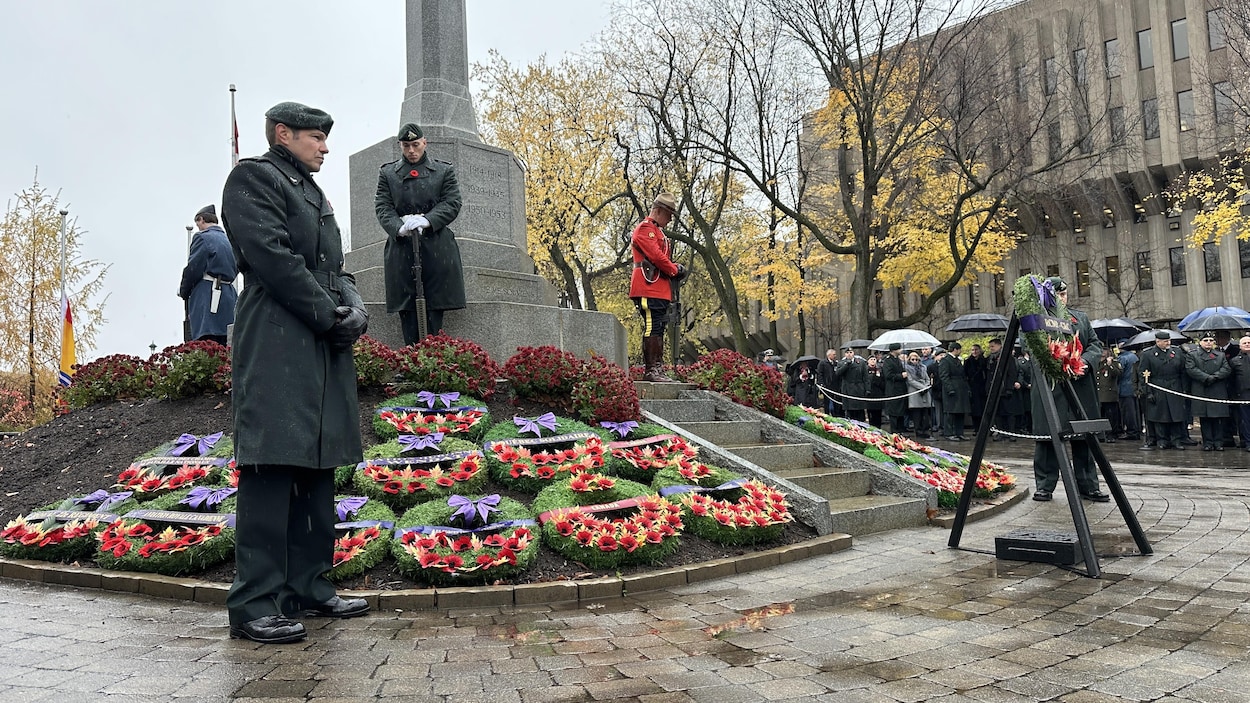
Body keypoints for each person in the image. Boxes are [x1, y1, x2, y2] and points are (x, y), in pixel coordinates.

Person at [221, 102, 370, 644]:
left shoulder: (314, 193)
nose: (325, 146)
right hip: (278, 340)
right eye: (315, 137)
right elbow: (274, 259)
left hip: (320, 342)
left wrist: (355, 307)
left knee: (318, 466)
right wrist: (330, 313)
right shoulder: (254, 178)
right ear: (283, 134)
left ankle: (309, 585)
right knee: (273, 467)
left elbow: (336, 266)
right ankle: (255, 601)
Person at [374, 123, 466, 345]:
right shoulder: (388, 173)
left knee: (434, 303)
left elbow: (452, 202)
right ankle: (411, 356)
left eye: (415, 145)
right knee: (407, 303)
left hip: (435, 246)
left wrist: (428, 220)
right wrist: (399, 227)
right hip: (402, 246)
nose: (411, 151)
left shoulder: (443, 171)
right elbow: (383, 206)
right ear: (400, 146)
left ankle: (431, 358)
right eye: (406, 146)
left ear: (425, 143)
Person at [1030, 277, 1108, 503]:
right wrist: (1058, 362)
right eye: (1057, 294)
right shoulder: (1036, 320)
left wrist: (1082, 362)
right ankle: (1045, 486)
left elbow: (1094, 344)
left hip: (1080, 385)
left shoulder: (1080, 318)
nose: (1062, 298)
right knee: (1047, 440)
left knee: (1083, 438)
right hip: (1051, 386)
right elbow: (1029, 345)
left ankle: (1089, 486)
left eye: (1064, 294)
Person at [628, 193, 686, 381]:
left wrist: (674, 268)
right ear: (659, 211)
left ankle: (657, 369)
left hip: (657, 288)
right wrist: (673, 269)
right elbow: (656, 256)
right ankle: (652, 370)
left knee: (658, 326)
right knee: (653, 326)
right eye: (669, 215)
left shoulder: (656, 230)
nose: (670, 219)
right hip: (648, 286)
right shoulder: (645, 229)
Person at [178, 204, 238, 345]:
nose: (197, 227)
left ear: (201, 220)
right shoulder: (231, 241)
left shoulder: (202, 238)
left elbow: (193, 269)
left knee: (206, 346)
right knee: (228, 345)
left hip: (207, 297)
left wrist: (184, 291)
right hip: (229, 298)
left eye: (197, 223)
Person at [1138, 331, 1188, 450]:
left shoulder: (1177, 352)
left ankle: (1176, 439)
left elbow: (1183, 371)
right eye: (1165, 341)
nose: (1168, 343)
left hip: (1174, 386)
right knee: (1160, 415)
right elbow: (1143, 374)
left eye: (1169, 341)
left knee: (1176, 415)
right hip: (1157, 386)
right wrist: (1147, 391)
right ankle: (1162, 439)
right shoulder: (1148, 354)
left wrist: (1184, 389)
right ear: (1157, 341)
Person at [1185, 332, 1233, 451]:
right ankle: (1208, 442)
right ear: (1200, 342)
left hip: (1217, 388)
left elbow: (1226, 369)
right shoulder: (1193, 355)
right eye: (1206, 340)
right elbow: (1191, 369)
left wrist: (1215, 377)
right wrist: (1205, 377)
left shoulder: (1220, 355)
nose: (1208, 343)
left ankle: (1218, 442)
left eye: (1211, 340)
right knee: (1205, 418)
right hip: (1202, 389)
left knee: (1218, 418)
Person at [986, 338, 1023, 441]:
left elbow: (1012, 373)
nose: (991, 348)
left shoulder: (1007, 358)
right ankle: (1001, 432)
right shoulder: (990, 359)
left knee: (1009, 413)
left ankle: (1011, 432)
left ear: (999, 346)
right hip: (994, 390)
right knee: (998, 413)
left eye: (992, 346)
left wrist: (1009, 388)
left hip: (1005, 389)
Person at [937, 342, 971, 441]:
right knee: (950, 412)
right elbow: (944, 376)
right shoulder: (945, 361)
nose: (960, 352)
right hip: (951, 390)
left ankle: (959, 432)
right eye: (959, 349)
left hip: (961, 389)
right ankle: (948, 433)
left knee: (960, 412)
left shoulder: (957, 360)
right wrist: (950, 389)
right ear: (955, 349)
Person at [1094, 346, 1123, 443]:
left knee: (1111, 416)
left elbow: (1118, 374)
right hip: (1098, 393)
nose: (1103, 353)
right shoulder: (1096, 363)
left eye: (1105, 351)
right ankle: (1100, 434)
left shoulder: (1114, 363)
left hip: (1109, 394)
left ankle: (1111, 434)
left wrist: (1110, 365)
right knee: (1099, 415)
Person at [835, 345, 870, 422]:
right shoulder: (841, 363)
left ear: (853, 353)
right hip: (847, 390)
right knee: (850, 412)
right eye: (847, 353)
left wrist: (867, 389)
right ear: (845, 354)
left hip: (859, 389)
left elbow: (865, 377)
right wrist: (846, 365)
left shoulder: (861, 363)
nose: (849, 354)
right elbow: (838, 373)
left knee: (860, 412)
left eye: (850, 352)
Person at [904, 351, 933, 439]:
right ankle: (918, 431)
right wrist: (922, 387)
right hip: (914, 391)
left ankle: (925, 430)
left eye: (916, 359)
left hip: (924, 391)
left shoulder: (923, 367)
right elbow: (910, 381)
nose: (915, 361)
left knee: (925, 413)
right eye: (912, 359)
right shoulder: (907, 368)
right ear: (909, 359)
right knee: (917, 413)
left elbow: (927, 378)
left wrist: (926, 386)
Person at [1229, 336, 1250, 451]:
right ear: (1240, 346)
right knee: (1245, 421)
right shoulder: (1235, 361)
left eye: (1249, 342)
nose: (1247, 344)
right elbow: (1231, 380)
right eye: (1245, 343)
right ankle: (1248, 442)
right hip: (1243, 394)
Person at [1116, 342, 1141, 441]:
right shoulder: (1134, 356)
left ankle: (1131, 431)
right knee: (1135, 411)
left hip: (1124, 388)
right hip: (1134, 387)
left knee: (1128, 412)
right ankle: (1137, 429)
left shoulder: (1122, 358)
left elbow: (1119, 373)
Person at [964, 343, 988, 432]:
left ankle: (984, 427)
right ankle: (976, 427)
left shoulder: (984, 361)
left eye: (976, 350)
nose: (974, 352)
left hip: (982, 387)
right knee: (975, 409)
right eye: (972, 350)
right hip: (972, 387)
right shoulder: (968, 362)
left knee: (983, 408)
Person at [816, 348, 838, 414]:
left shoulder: (835, 363)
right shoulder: (823, 363)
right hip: (826, 386)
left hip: (834, 386)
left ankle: (835, 414)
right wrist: (821, 384)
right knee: (826, 402)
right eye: (834, 354)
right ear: (829, 355)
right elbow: (820, 374)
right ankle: (827, 414)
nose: (835, 356)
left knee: (835, 402)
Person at [865, 354, 885, 427]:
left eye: (874, 359)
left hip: (878, 394)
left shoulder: (879, 370)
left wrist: (878, 377)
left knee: (878, 414)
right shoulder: (865, 370)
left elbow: (883, 382)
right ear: (868, 361)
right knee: (871, 414)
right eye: (871, 359)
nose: (873, 361)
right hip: (869, 395)